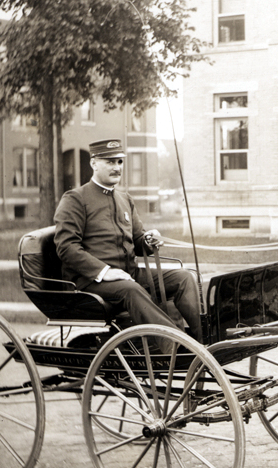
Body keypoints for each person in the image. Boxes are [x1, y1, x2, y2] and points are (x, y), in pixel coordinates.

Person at [54, 139, 203, 343]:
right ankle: (177, 345)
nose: (117, 168)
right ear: (93, 163)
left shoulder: (125, 199)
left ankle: (202, 342)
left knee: (184, 278)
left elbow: (138, 241)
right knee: (130, 289)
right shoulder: (75, 199)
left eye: (119, 162)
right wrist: (104, 272)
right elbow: (66, 247)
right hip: (91, 283)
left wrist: (149, 241)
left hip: (129, 275)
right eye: (110, 162)